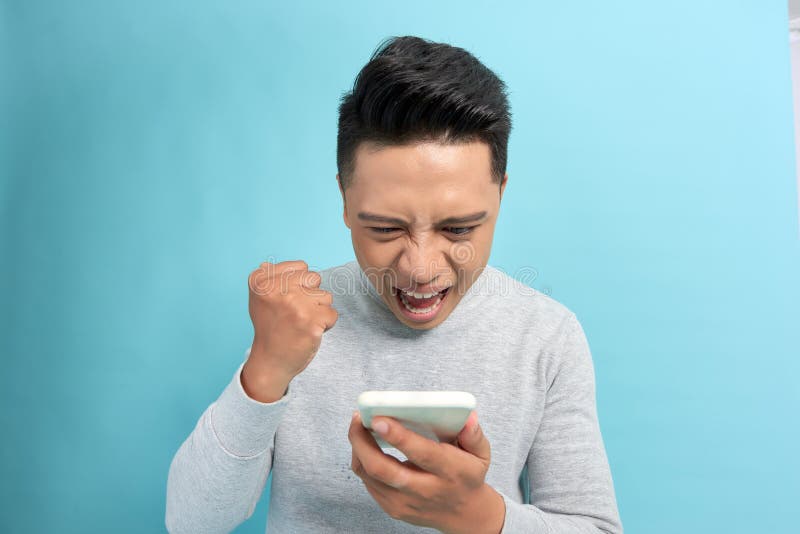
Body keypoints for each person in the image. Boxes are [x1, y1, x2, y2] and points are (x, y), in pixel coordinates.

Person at [165, 35, 622, 534]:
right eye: (385, 229)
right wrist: (266, 368)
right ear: (344, 197)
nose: (420, 269)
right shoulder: (299, 321)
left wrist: (483, 519)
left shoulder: (546, 336)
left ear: (501, 194)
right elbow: (192, 523)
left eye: (459, 229)